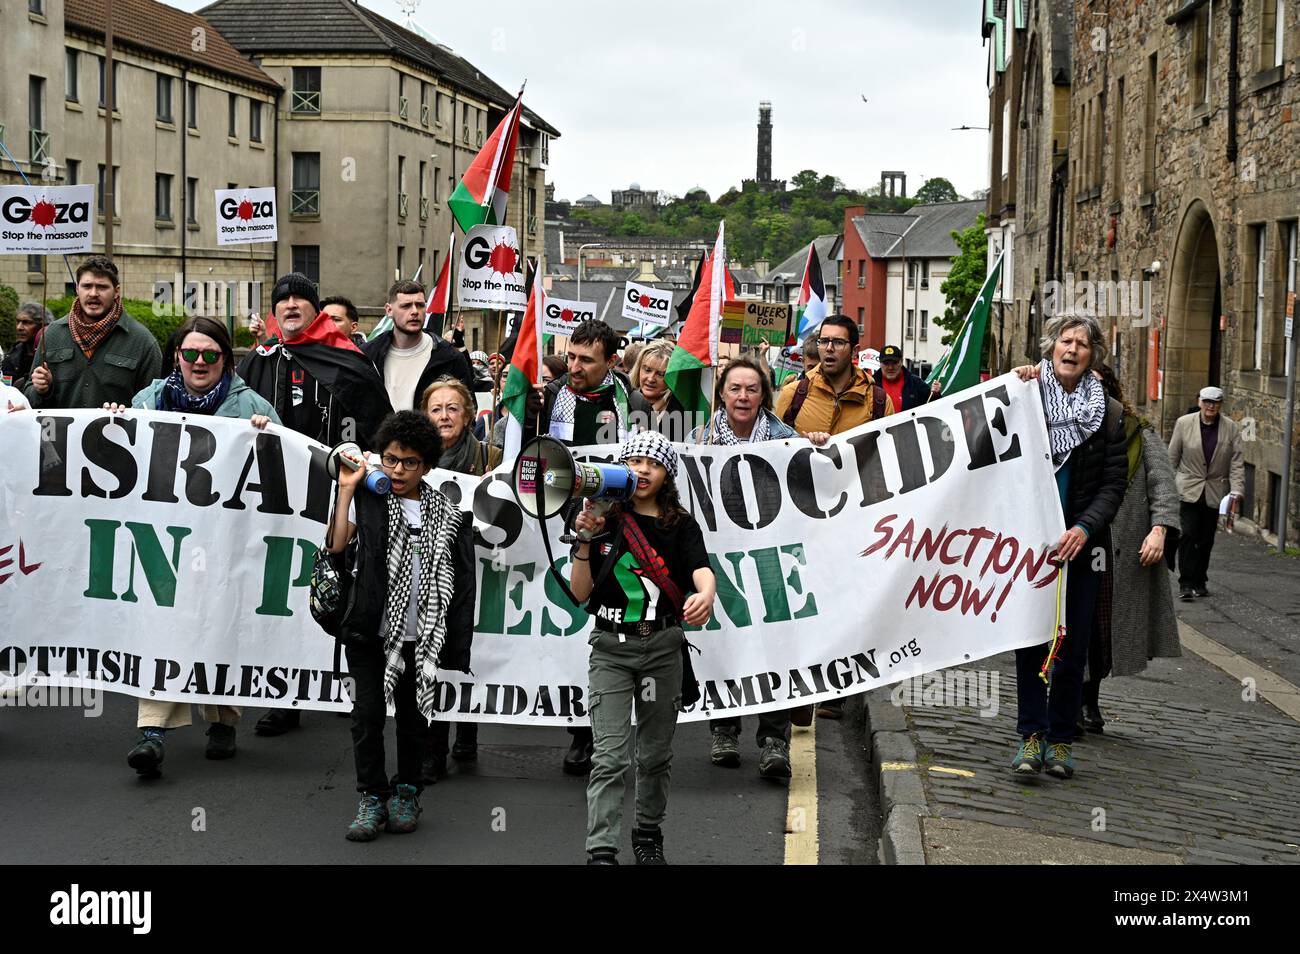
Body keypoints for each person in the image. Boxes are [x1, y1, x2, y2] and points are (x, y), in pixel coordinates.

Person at [103, 317, 280, 776]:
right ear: (176, 356)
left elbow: (285, 473)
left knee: (220, 625)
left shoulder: (252, 406)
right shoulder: (148, 400)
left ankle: (222, 719)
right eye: (190, 354)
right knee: (162, 626)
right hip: (163, 540)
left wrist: (268, 436)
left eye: (211, 355)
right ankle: (152, 731)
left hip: (224, 542)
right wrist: (115, 424)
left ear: (226, 358)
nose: (199, 363)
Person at [238, 272, 393, 736]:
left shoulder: (346, 359)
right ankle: (285, 696)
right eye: (281, 300)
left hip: (333, 497)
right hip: (273, 497)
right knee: (283, 592)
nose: (289, 306)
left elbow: (376, 424)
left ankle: (350, 686)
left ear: (314, 308)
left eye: (298, 300)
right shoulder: (259, 359)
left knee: (339, 588)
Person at [326, 411, 476, 841]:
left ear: (427, 466)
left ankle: (406, 791)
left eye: (409, 462)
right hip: (368, 630)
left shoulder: (446, 513)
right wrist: (346, 490)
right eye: (390, 459)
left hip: (421, 636)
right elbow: (337, 545)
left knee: (413, 718)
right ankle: (371, 797)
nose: (397, 470)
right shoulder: (368, 498)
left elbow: (460, 582)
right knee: (368, 715)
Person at [569, 431, 716, 864]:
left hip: (663, 648)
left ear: (667, 472)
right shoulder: (602, 519)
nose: (641, 470)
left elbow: (701, 570)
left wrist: (705, 595)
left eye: (651, 463)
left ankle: (648, 835)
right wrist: (584, 540)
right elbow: (580, 594)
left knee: (653, 754)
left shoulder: (680, 523)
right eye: (632, 462)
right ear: (619, 471)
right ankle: (601, 850)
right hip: (612, 650)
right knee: (609, 757)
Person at [688, 355, 825, 777]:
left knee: (775, 644)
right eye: (735, 388)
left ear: (764, 394)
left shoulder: (787, 439)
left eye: (751, 389)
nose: (743, 396)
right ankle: (724, 729)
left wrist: (817, 448)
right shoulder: (699, 440)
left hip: (773, 559)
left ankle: (773, 739)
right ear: (722, 394)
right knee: (724, 640)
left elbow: (811, 490)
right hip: (721, 559)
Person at [1009, 314, 1127, 779]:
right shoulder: (1025, 397)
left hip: (1082, 547)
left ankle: (1061, 740)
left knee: (1072, 646)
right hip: (1031, 544)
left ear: (1091, 355)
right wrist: (1014, 382)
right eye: (1065, 340)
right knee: (1032, 641)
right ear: (1050, 347)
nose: (1072, 348)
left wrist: (1083, 528)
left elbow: (1113, 485)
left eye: (1082, 343)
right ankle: (1031, 736)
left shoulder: (1110, 414)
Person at [534, 320, 652, 774]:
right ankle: (580, 733)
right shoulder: (552, 396)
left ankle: (605, 730)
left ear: (610, 362)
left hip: (618, 526)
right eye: (571, 357)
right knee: (573, 623)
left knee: (608, 623)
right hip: (565, 516)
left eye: (586, 360)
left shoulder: (633, 403)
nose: (574, 367)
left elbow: (648, 460)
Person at [775, 314, 893, 718]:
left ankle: (831, 688)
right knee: (799, 600)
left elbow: (887, 460)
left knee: (840, 603)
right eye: (824, 341)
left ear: (853, 350)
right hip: (798, 515)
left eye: (838, 343)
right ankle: (796, 686)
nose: (828, 349)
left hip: (850, 521)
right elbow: (767, 446)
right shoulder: (793, 393)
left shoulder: (879, 401)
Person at [1081, 365, 1181, 732]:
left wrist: (1160, 530)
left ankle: (1089, 700)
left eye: (1101, 386)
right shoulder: (1061, 428)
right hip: (1073, 542)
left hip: (1118, 549)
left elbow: (1164, 488)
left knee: (1103, 629)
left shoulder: (1139, 433)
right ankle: (1070, 700)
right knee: (1073, 626)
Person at [418, 376, 497, 782]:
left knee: (472, 650)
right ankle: (433, 749)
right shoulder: (412, 460)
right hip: (430, 576)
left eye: (452, 408)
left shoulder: (492, 457)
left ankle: (468, 728)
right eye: (436, 409)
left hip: (482, 572)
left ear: (468, 415)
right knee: (436, 654)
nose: (444, 416)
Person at [25, 256, 162, 409]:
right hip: (62, 433)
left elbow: (152, 408)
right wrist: (42, 390)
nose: (93, 293)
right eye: (87, 286)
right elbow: (29, 398)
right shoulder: (52, 334)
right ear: (77, 289)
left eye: (102, 287)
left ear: (116, 292)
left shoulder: (143, 342)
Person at [1168, 386, 1245, 601]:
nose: (1211, 406)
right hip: (1188, 488)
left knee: (1206, 538)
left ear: (1220, 405)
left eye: (1215, 402)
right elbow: (1172, 457)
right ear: (1199, 402)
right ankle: (1185, 583)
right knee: (1188, 533)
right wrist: (1164, 486)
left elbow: (1237, 463)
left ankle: (1200, 580)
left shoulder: (1231, 428)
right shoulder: (1184, 423)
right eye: (1207, 402)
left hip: (1214, 491)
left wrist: (1237, 491)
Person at [363, 280, 474, 412]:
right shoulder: (367, 356)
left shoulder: (449, 358)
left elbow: (468, 411)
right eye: (406, 306)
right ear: (389, 310)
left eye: (420, 305)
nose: (415, 311)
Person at [630, 339, 686, 438]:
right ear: (638, 368)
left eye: (660, 374)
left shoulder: (682, 413)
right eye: (647, 370)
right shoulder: (624, 401)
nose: (651, 379)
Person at [873, 344, 939, 411]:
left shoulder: (916, 383)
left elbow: (934, 408)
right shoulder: (871, 384)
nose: (890, 367)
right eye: (886, 363)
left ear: (901, 362)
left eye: (895, 363)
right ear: (880, 364)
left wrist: (935, 395)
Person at [2, 302, 52, 391]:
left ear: (42, 325)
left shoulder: (52, 354)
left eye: (26, 322)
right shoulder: (11, 357)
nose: (19, 327)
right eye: (18, 322)